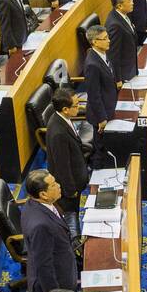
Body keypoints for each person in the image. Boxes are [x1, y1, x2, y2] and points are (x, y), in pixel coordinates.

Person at [22, 169, 79, 292]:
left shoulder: (34, 203)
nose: (59, 185)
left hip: (63, 260)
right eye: (53, 185)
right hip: (59, 278)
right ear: (43, 194)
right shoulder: (40, 226)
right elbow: (44, 266)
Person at [46, 89, 90, 222]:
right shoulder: (58, 133)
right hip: (68, 187)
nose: (79, 107)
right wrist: (71, 190)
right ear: (65, 109)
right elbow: (62, 166)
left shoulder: (62, 118)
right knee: (71, 214)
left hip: (77, 172)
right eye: (76, 105)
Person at [81, 24, 119, 129]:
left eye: (108, 37)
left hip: (110, 105)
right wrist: (102, 118)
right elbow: (94, 95)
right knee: (101, 145)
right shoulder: (92, 65)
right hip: (101, 115)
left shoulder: (103, 53)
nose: (109, 41)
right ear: (95, 42)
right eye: (105, 38)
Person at [105, 0, 138, 81]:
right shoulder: (115, 25)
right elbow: (113, 55)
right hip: (124, 74)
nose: (132, 3)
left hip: (131, 67)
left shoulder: (123, 15)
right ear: (119, 6)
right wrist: (118, 79)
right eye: (129, 1)